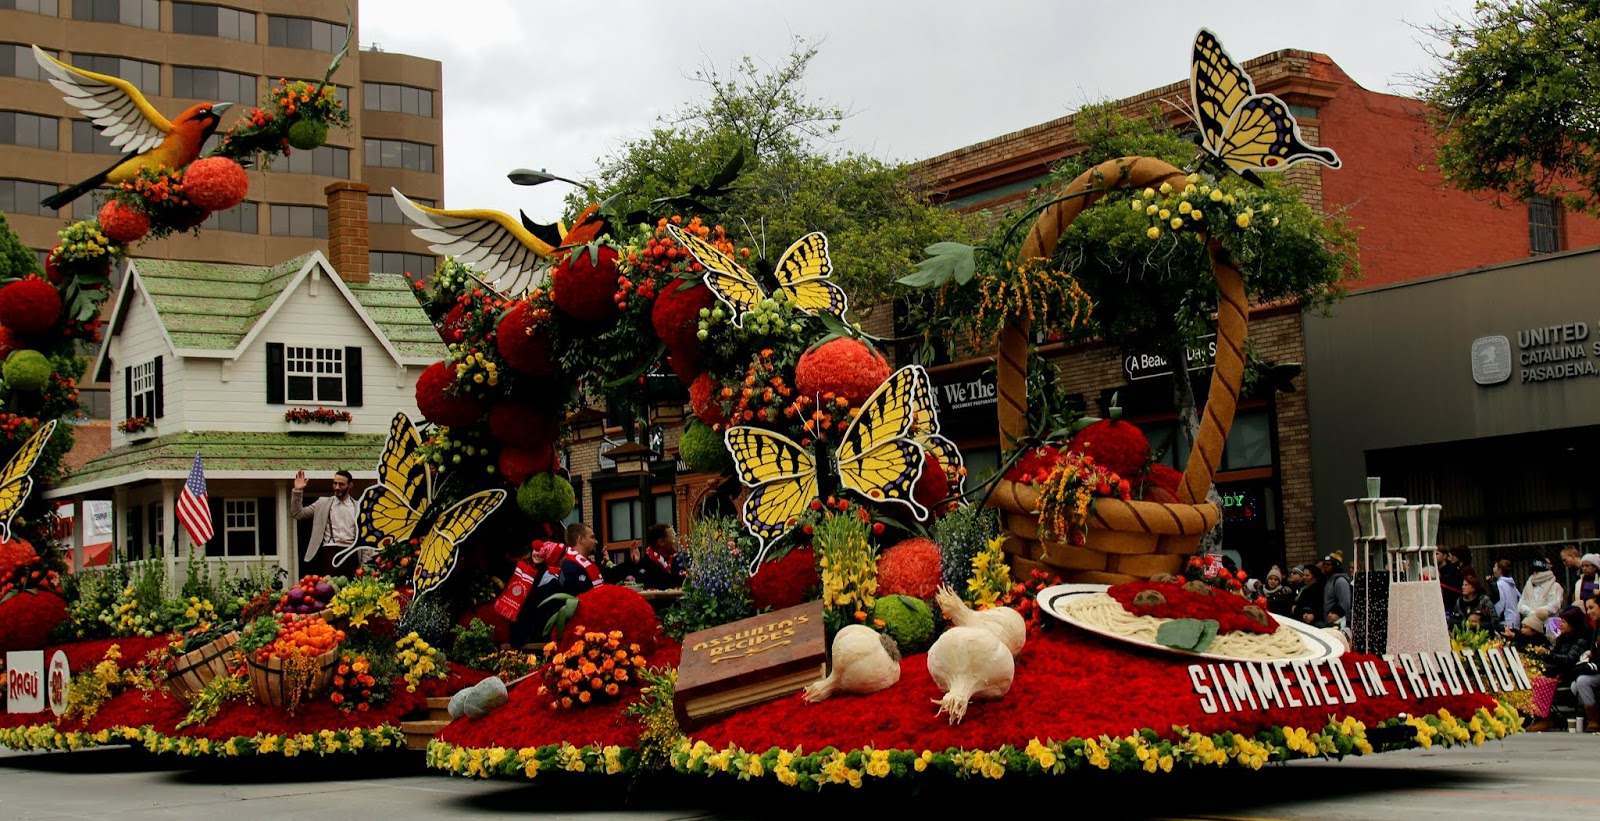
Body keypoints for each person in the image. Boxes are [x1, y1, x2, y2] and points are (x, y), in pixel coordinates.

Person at [1527, 605, 1592, 731]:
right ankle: (1537, 717)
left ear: (1573, 624)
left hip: (1569, 674)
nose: (1560, 624)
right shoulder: (1562, 638)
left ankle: (1545, 718)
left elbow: (1569, 660)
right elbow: (1554, 656)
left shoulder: (1581, 639)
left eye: (1564, 622)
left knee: (1540, 682)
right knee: (1533, 675)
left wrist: (1547, 654)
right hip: (1557, 671)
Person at [290, 469, 358, 576]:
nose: (337, 487)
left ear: (350, 485)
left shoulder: (358, 507)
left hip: (351, 552)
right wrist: (297, 491)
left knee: (351, 589)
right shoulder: (322, 503)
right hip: (329, 550)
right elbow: (298, 513)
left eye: (341, 484)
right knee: (329, 588)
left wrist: (366, 561)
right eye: (335, 483)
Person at [1567, 596, 1600, 734]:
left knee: (1582, 682)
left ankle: (1594, 721)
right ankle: (1589, 716)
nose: (1589, 612)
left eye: (1591, 607)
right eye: (1587, 609)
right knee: (1575, 685)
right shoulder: (1597, 627)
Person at [1519, 558, 1567, 634]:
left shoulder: (1555, 586)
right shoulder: (1528, 586)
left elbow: (1554, 606)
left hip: (1551, 623)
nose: (1535, 574)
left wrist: (1538, 612)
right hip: (1532, 624)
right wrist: (1530, 612)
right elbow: (1521, 604)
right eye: (1533, 571)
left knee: (1553, 642)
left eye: (1538, 571)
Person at [559, 522, 605, 596]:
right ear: (581, 539)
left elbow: (608, 576)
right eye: (592, 537)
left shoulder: (587, 563)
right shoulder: (571, 567)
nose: (596, 541)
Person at [637, 522, 687, 590]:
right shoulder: (645, 564)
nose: (676, 540)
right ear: (661, 542)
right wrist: (634, 563)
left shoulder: (682, 559)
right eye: (672, 537)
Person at [1319, 553, 1352, 629]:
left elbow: (1345, 604)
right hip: (1329, 623)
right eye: (1324, 564)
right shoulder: (1328, 581)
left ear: (1335, 567)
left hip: (1338, 625)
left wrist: (1342, 624)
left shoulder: (1340, 581)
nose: (1325, 566)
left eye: (1328, 564)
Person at [1491, 559, 1521, 634]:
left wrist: (1494, 617)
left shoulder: (1499, 584)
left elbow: (1500, 603)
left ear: (1500, 570)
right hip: (1515, 621)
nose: (1493, 569)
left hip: (1505, 622)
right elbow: (1519, 598)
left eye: (1495, 567)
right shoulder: (1512, 584)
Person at [1437, 547, 1463, 614]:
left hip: (1450, 601)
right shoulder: (1432, 568)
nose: (1434, 556)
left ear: (1445, 556)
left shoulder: (1452, 570)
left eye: (1437, 554)